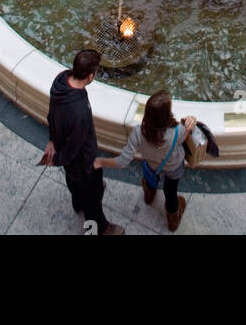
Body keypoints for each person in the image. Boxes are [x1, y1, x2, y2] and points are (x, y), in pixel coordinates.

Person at [41, 49, 124, 235]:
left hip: (66, 154)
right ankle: (100, 229)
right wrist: (56, 159)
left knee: (73, 180)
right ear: (90, 75)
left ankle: (77, 202)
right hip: (82, 162)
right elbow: (74, 148)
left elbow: (51, 113)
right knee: (92, 201)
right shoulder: (79, 111)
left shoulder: (61, 80)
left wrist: (52, 140)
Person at [95, 90, 195, 232]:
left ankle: (149, 195)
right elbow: (186, 132)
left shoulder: (138, 132)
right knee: (170, 191)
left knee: (149, 177)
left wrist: (101, 161)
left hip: (151, 164)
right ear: (167, 116)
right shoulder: (176, 131)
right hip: (173, 166)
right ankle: (173, 219)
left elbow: (123, 161)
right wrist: (192, 119)